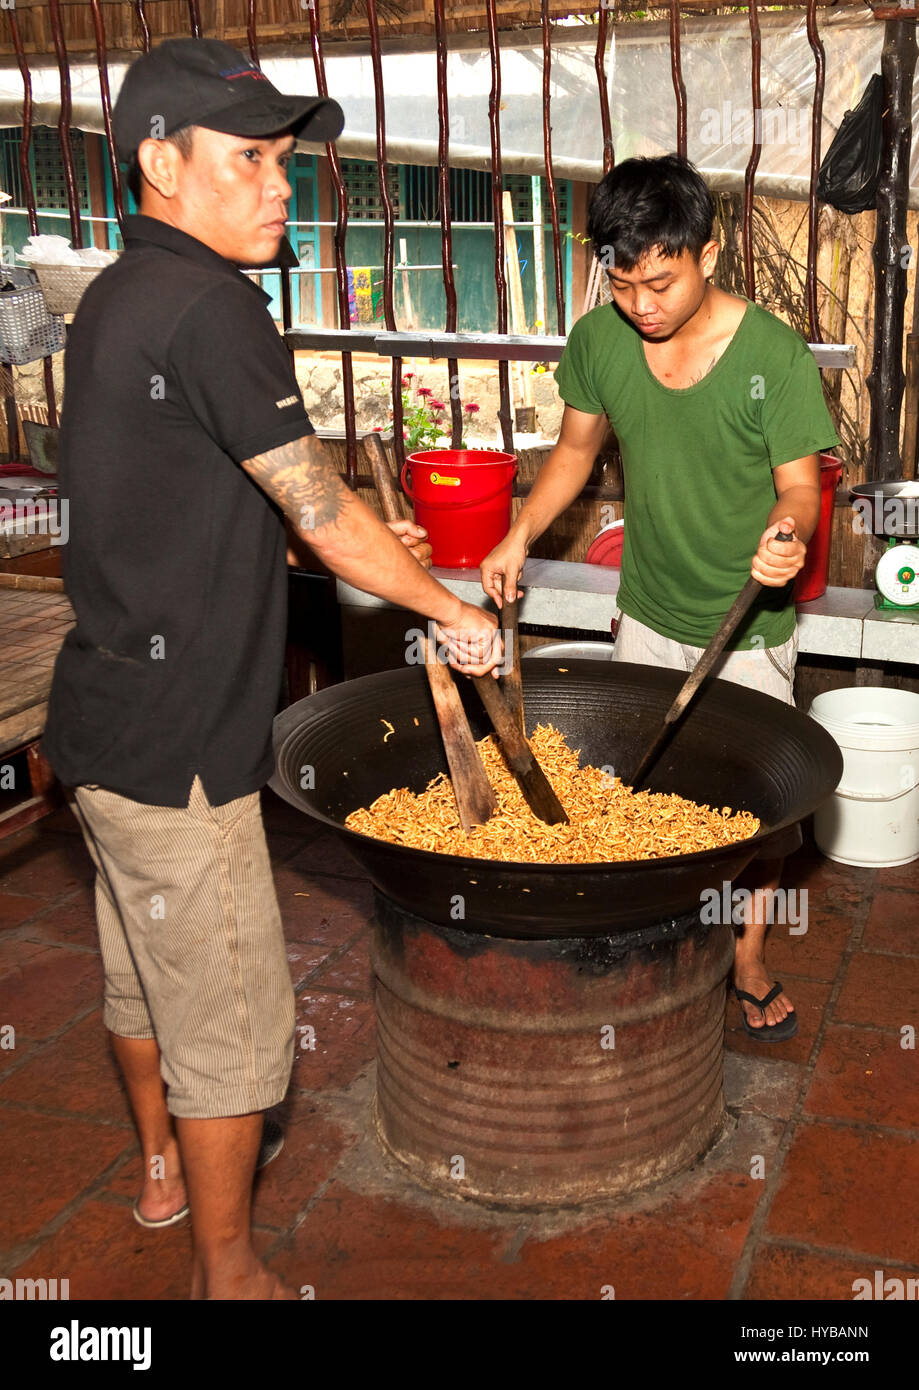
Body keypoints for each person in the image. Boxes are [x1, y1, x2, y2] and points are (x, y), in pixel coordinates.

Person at [42, 37, 500, 1301]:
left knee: (141, 971)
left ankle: (157, 1173)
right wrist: (445, 605)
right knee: (236, 1038)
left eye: (284, 162)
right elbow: (315, 505)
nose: (277, 186)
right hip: (187, 749)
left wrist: (350, 540)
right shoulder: (217, 308)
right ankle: (227, 1270)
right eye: (248, 159)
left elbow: (207, 499)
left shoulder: (121, 299)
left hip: (101, 727)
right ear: (159, 161)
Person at [481, 153, 838, 1044]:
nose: (640, 303)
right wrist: (518, 534)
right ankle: (659, 938)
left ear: (706, 255)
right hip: (646, 610)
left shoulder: (770, 354)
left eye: (661, 281)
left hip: (746, 625)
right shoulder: (601, 341)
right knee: (648, 791)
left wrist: (785, 537)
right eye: (622, 279)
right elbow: (572, 454)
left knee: (754, 814)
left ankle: (748, 960)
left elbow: (800, 486)